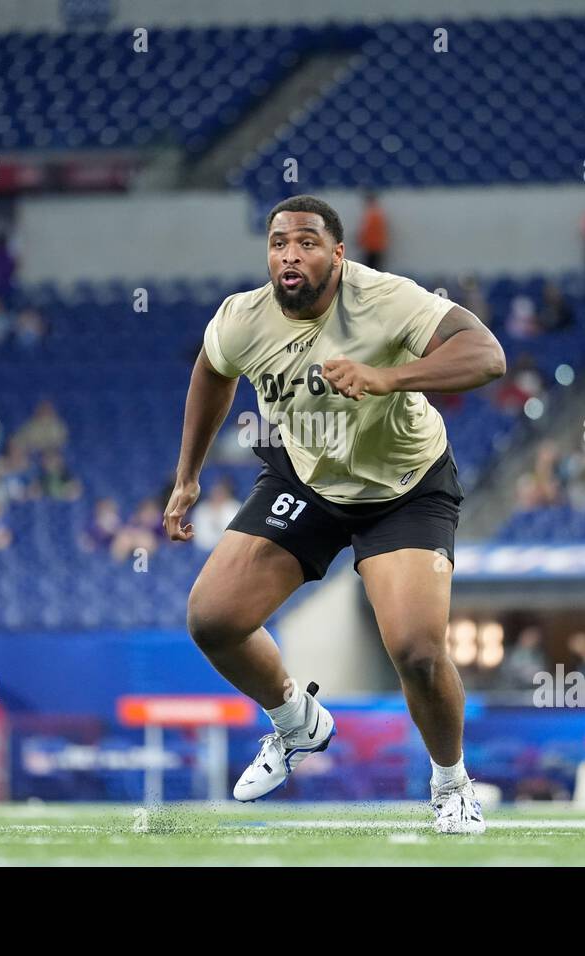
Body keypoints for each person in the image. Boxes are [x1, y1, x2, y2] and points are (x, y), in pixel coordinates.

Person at [162, 195, 505, 833]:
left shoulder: (387, 299)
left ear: (339, 254)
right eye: (278, 243)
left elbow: (486, 355)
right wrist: (188, 477)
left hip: (404, 487)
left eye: (307, 242)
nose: (290, 254)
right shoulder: (243, 317)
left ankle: (452, 784)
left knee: (417, 651)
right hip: (311, 479)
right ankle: (295, 723)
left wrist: (388, 378)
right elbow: (212, 371)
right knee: (213, 619)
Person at [190, 478, 241, 551]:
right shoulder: (201, 509)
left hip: (227, 550)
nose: (218, 495)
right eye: (216, 492)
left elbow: (235, 534)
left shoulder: (235, 508)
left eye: (221, 492)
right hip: (203, 551)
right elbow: (196, 535)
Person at [356, 192, 389, 271]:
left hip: (372, 247)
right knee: (375, 269)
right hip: (377, 246)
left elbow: (367, 231)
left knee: (370, 269)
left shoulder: (371, 215)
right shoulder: (378, 214)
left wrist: (360, 240)